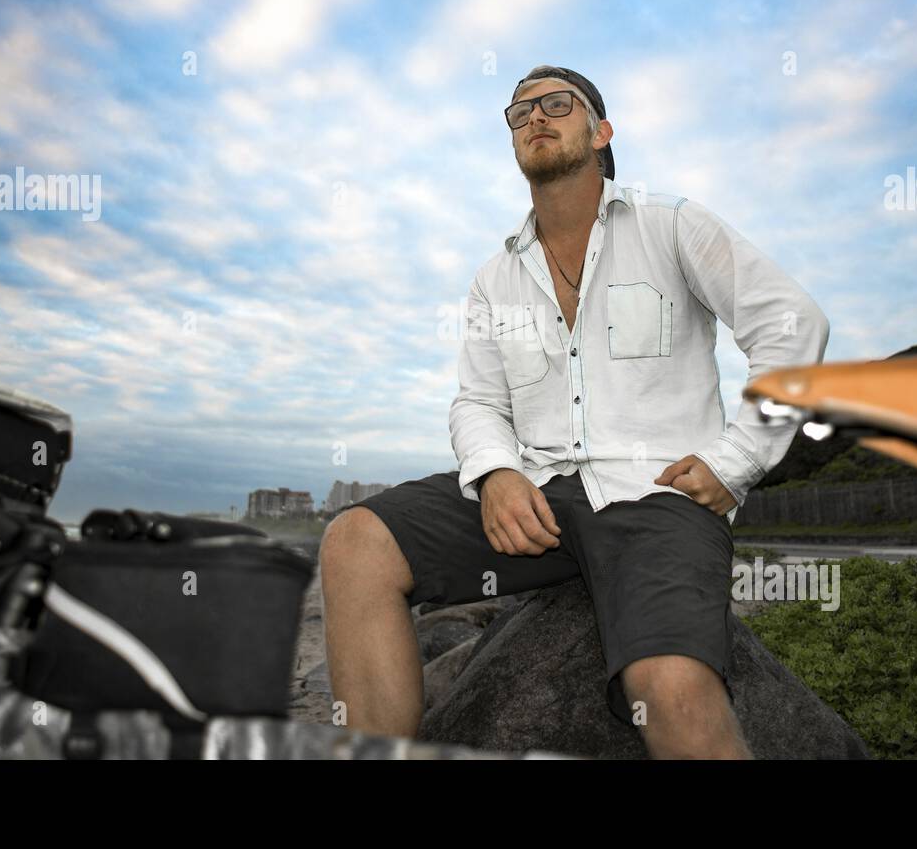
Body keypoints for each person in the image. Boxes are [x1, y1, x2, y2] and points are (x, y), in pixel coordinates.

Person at [319, 64, 830, 759]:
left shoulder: (670, 222)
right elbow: (476, 401)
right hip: (538, 498)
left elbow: (793, 325)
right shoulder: (496, 275)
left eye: (557, 103)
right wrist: (496, 472)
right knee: (355, 542)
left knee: (672, 685)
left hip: (657, 497)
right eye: (520, 110)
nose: (535, 116)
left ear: (601, 132)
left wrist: (735, 462)